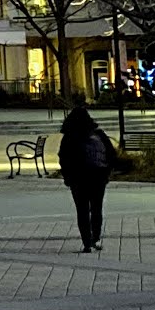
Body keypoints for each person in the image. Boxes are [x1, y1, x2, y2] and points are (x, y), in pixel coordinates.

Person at [57, 102, 116, 252]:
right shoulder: (99, 134)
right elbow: (111, 154)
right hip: (98, 176)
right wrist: (107, 171)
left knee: (82, 210)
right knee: (96, 208)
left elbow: (63, 158)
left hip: (78, 178)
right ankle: (95, 238)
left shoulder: (69, 137)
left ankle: (87, 242)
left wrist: (67, 177)